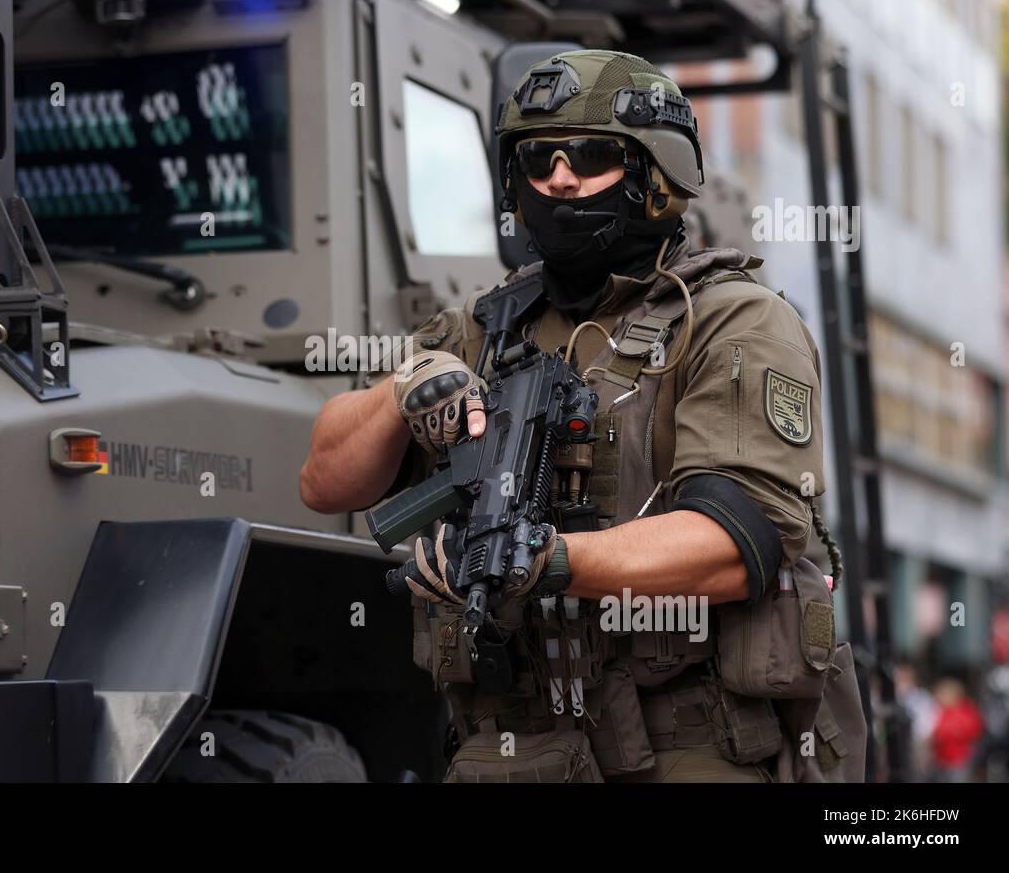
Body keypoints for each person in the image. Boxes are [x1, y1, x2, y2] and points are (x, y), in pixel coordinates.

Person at [301, 50, 840, 782]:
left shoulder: (732, 321)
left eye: (590, 156)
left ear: (657, 173)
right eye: (537, 157)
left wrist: (546, 560)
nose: (558, 177)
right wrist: (403, 388)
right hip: (512, 749)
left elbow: (737, 540)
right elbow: (324, 480)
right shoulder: (479, 328)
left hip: (687, 744)